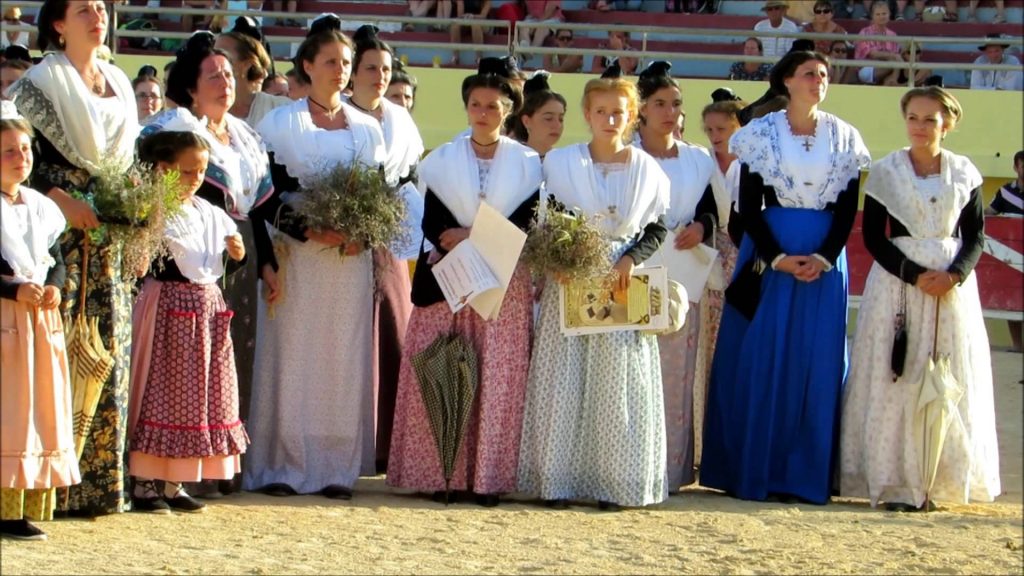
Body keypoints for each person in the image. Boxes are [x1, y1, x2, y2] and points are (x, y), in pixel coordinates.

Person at [700, 50, 870, 505]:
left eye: (824, 74)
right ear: (787, 82)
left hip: (824, 261)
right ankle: (751, 470)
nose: (819, 80)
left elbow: (847, 207)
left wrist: (825, 255)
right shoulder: (758, 135)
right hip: (769, 255)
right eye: (810, 74)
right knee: (761, 357)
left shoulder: (846, 136)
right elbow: (749, 207)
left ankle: (806, 476)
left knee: (816, 361)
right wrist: (777, 257)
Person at [244, 15, 386, 499]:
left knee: (340, 357)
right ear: (307, 64)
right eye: (330, 61)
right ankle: (282, 463)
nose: (340, 70)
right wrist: (310, 232)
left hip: (348, 260)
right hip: (298, 255)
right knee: (293, 353)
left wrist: (362, 234)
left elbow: (379, 197)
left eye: (346, 62)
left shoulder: (368, 128)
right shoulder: (280, 122)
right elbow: (267, 195)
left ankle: (333, 468)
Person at [840, 86, 1001, 512]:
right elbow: (875, 236)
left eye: (930, 119)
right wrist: (913, 274)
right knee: (897, 373)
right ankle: (893, 479)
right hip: (897, 284)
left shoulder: (966, 172)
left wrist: (954, 275)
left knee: (949, 374)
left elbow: (975, 235)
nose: (920, 126)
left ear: (947, 124)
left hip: (951, 290)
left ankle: (941, 480)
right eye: (913, 117)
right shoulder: (885, 171)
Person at [518, 65, 671, 511]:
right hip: (573, 278)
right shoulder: (562, 164)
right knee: (566, 380)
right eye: (601, 110)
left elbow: (658, 228)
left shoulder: (648, 170)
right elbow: (545, 222)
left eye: (618, 112)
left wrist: (630, 259)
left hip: (623, 280)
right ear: (587, 112)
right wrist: (559, 265)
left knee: (618, 381)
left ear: (632, 115)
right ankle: (558, 481)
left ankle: (615, 483)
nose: (610, 119)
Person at [387, 62, 540, 508]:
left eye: (492, 106)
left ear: (508, 110)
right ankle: (439, 473)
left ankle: (487, 478)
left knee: (494, 378)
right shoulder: (443, 159)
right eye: (475, 104)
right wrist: (456, 242)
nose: (483, 112)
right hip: (451, 275)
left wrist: (477, 238)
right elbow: (433, 217)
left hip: (502, 279)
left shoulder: (529, 164)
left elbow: (526, 219)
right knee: (441, 368)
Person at [9, 0, 139, 517]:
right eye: (82, 8)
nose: (96, 14)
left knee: (108, 349)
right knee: (61, 350)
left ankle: (99, 486)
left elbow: (126, 161)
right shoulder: (37, 86)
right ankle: (50, 489)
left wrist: (133, 201)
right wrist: (60, 200)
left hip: (108, 239)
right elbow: (12, 156)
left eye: (100, 7)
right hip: (54, 239)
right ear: (59, 24)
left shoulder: (118, 83)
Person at [147, 30, 276, 497]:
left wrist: (268, 262)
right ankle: (176, 473)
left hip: (239, 254)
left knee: (231, 360)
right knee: (184, 368)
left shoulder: (243, 136)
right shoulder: (173, 130)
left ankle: (219, 469)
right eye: (213, 76)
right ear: (190, 86)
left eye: (229, 73)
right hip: (186, 262)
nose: (226, 82)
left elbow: (256, 212)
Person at [127, 130, 247, 514]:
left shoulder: (207, 211)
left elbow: (226, 251)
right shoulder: (152, 209)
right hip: (169, 308)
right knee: (163, 391)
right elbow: (140, 262)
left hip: (207, 308)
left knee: (199, 397)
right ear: (163, 169)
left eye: (201, 170)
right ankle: (145, 481)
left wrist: (237, 252)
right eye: (187, 171)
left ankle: (175, 479)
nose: (196, 177)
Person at [344, 24, 426, 474]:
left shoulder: (401, 122)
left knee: (395, 331)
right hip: (345, 243)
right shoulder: (339, 116)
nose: (379, 76)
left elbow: (410, 179)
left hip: (391, 240)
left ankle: (387, 444)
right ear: (353, 73)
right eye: (371, 67)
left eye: (386, 68)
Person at [633, 61, 715, 492]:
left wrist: (702, 226)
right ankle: (631, 464)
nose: (670, 112)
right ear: (641, 109)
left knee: (678, 376)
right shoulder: (625, 155)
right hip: (636, 269)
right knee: (634, 368)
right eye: (660, 103)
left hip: (683, 272)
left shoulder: (698, 160)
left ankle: (672, 469)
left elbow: (712, 209)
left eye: (677, 104)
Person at [0, 103, 80, 541]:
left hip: (38, 322)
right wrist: (12, 289)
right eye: (9, 151)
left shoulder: (39, 207)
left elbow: (57, 260)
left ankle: (26, 504)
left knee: (36, 409)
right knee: (8, 413)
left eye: (25, 149)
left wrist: (55, 285)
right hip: (6, 319)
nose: (21, 157)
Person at [692, 90, 745, 471]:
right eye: (709, 128)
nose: (715, 135)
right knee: (711, 343)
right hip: (711, 254)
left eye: (722, 128)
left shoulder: (754, 163)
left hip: (747, 253)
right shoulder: (701, 164)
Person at [985, 150, 1023, 353]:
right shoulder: (1006, 192)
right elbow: (990, 214)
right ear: (1016, 167)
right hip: (1010, 255)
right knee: (1011, 294)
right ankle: (1018, 345)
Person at [214, 27, 291, 128]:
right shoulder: (204, 111)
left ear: (247, 65)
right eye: (214, 52)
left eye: (223, 54)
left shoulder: (283, 110)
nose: (215, 59)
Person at [509, 71, 565, 159]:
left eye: (561, 119)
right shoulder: (510, 158)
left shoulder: (566, 161)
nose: (557, 125)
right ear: (526, 121)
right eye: (548, 118)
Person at [855, 1, 902, 86]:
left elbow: (896, 57)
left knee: (896, 61)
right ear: (872, 16)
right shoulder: (864, 32)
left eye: (884, 13)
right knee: (894, 60)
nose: (881, 17)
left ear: (889, 15)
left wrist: (894, 56)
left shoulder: (893, 35)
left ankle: (892, 81)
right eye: (878, 14)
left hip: (888, 67)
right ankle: (892, 80)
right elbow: (872, 54)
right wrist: (892, 56)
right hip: (867, 69)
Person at [438, 0, 492, 66]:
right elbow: (460, 15)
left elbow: (483, 16)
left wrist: (472, 16)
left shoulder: (486, 1)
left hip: (481, 22)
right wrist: (465, 17)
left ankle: (479, 58)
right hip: (465, 21)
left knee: (475, 25)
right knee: (455, 26)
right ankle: (455, 57)